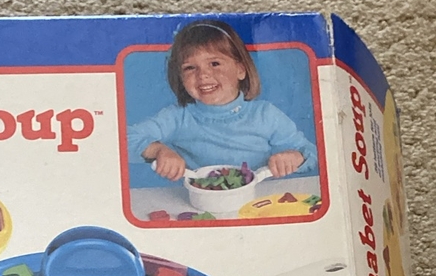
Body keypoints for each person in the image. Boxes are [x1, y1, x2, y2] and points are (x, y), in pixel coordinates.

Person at [128, 19, 318, 182]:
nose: (203, 75)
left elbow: (312, 153)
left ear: (240, 70)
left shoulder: (266, 115)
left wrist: (295, 157)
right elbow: (125, 139)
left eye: (215, 64)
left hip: (259, 204)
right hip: (198, 206)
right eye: (190, 68)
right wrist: (159, 150)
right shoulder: (177, 116)